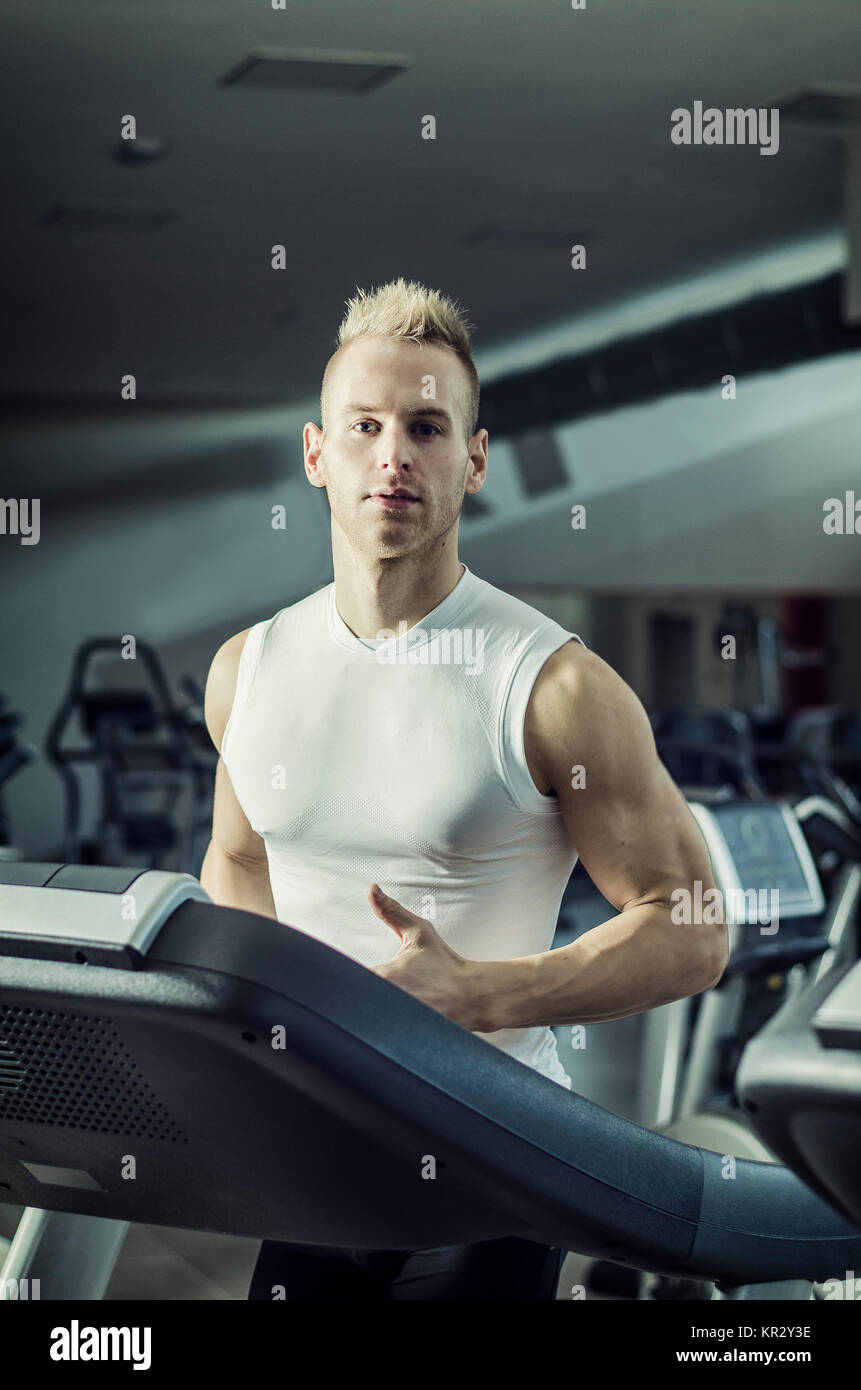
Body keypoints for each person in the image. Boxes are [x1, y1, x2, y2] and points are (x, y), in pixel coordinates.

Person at [200, 277, 727, 1300]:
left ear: (473, 460)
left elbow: (693, 925)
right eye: (364, 426)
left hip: (490, 1153)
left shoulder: (556, 685)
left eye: (427, 427)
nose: (392, 454)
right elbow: (238, 854)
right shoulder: (248, 668)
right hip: (314, 1153)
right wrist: (267, 1027)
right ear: (318, 454)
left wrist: (483, 994)